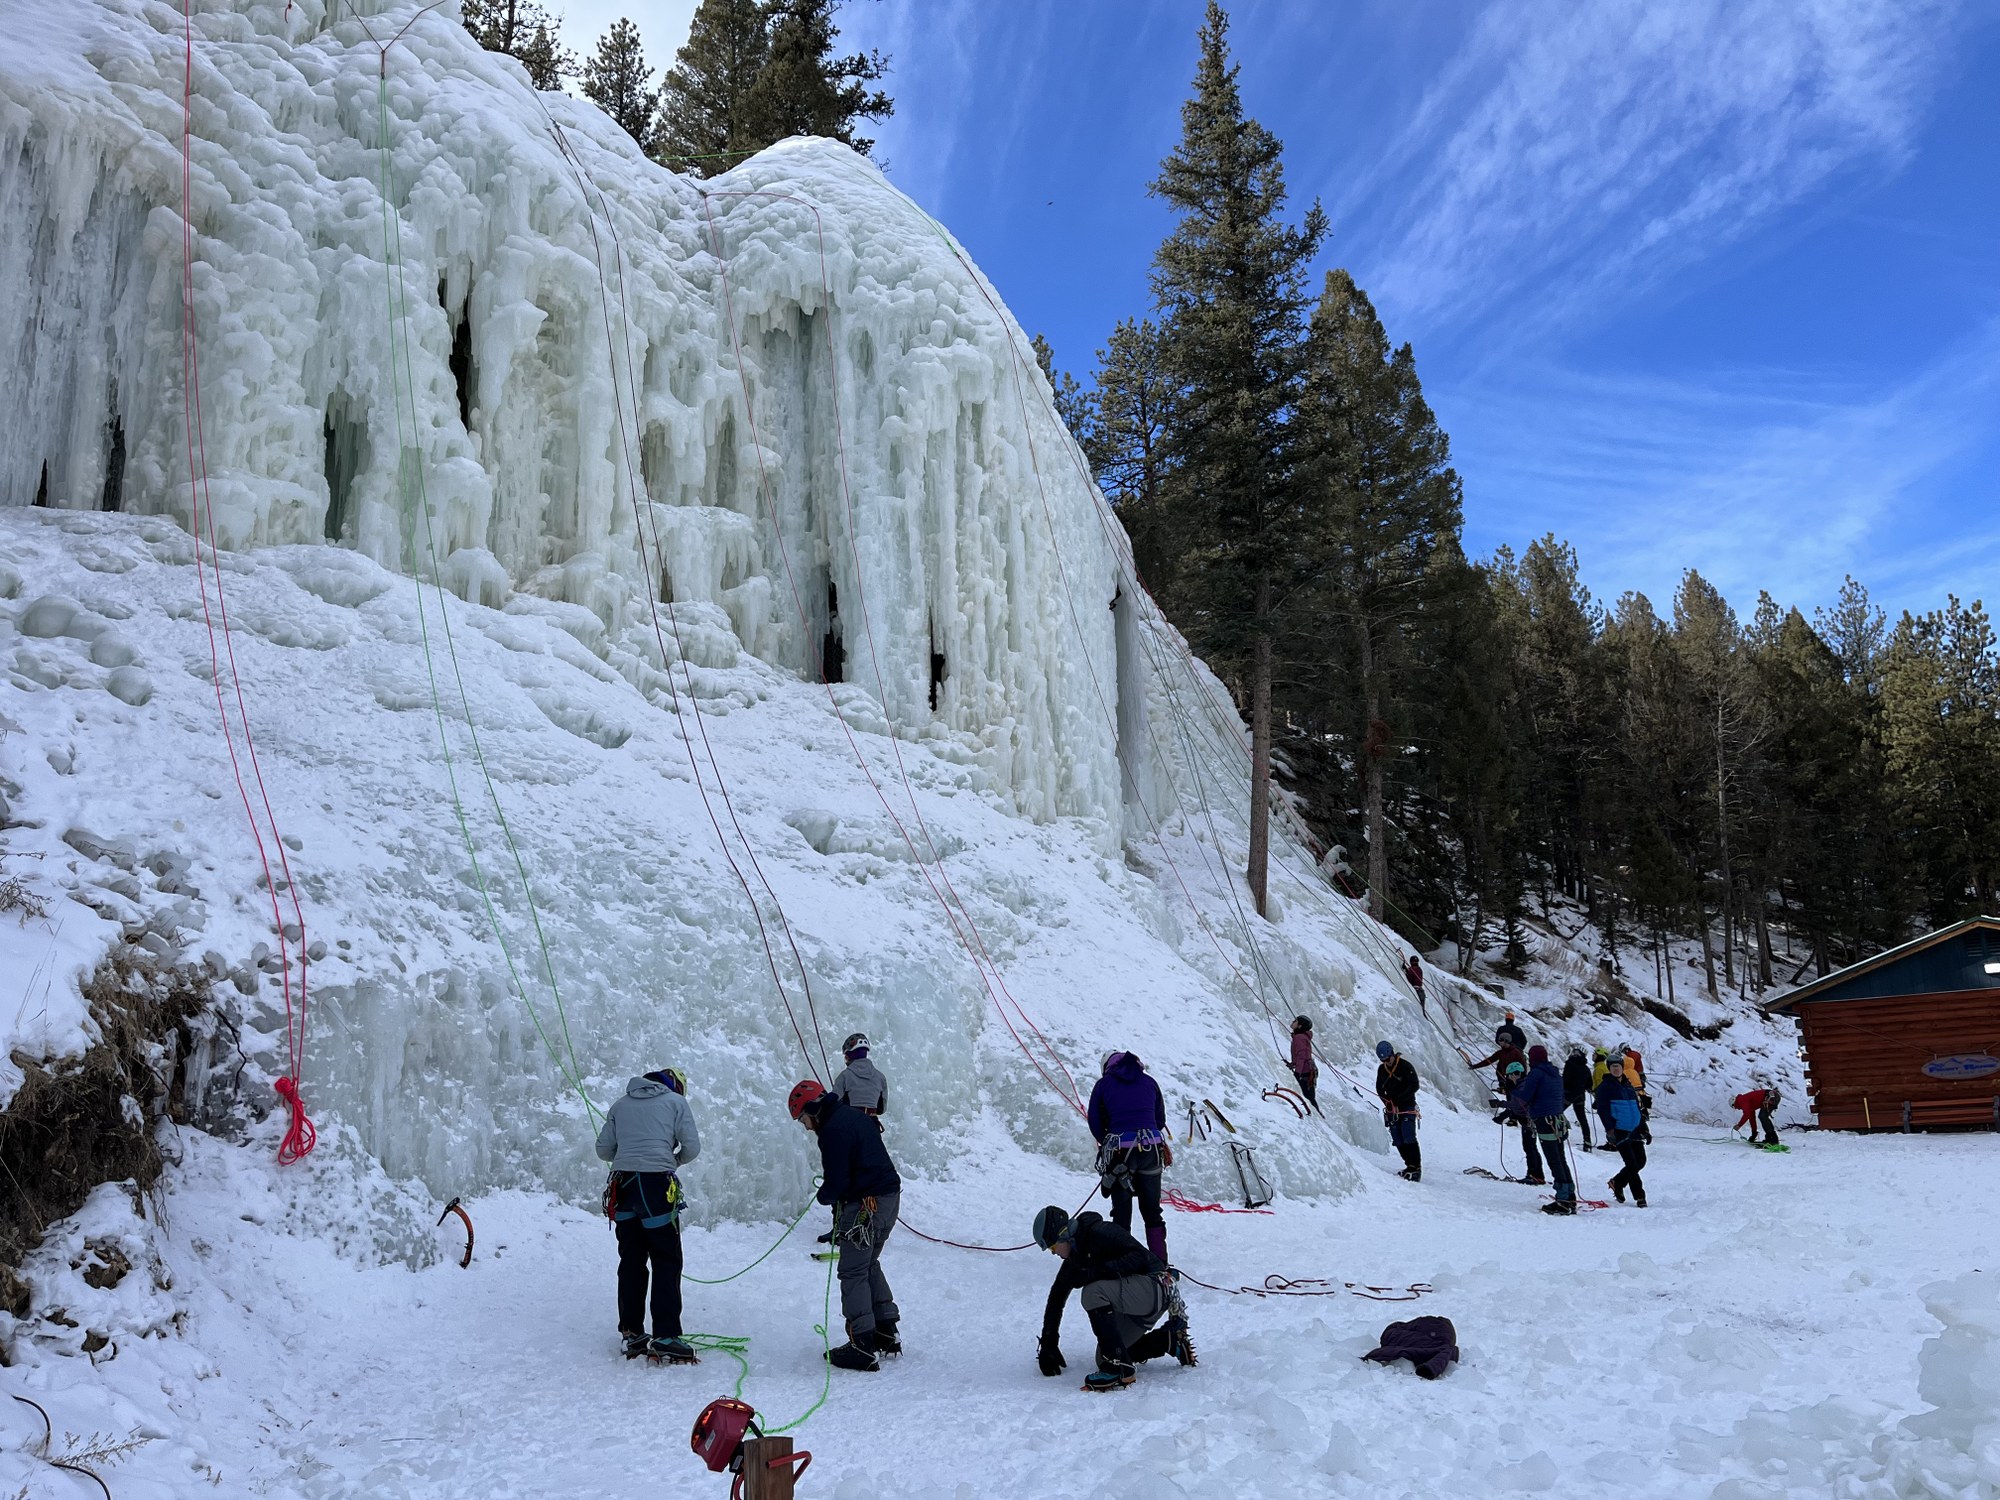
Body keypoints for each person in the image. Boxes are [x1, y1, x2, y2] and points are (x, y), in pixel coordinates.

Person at [789, 1079, 902, 1371]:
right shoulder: (851, 1116)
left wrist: (824, 1196)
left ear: (812, 1109)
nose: (804, 1126)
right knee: (868, 1264)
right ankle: (886, 1332)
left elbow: (837, 1181)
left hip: (865, 1207)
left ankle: (862, 1346)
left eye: (802, 1118)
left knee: (852, 1271)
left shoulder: (832, 1131)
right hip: (888, 1200)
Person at [595, 1068, 701, 1362]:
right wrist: (672, 1160)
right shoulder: (676, 1103)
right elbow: (692, 1148)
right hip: (655, 1185)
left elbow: (603, 1150)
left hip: (623, 1184)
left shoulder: (620, 1104)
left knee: (631, 1260)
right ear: (675, 1086)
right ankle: (666, 1335)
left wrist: (629, 1151)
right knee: (666, 1259)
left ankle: (632, 1334)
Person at [1032, 1204, 1191, 1391]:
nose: (1053, 1253)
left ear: (1064, 1234)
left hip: (1155, 1287)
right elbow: (1056, 1297)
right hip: (1142, 1301)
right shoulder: (1074, 1258)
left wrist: (1096, 1271)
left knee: (1092, 1292)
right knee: (1105, 1356)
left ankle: (1118, 1368)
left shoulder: (1100, 1232)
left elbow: (1141, 1257)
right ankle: (1168, 1340)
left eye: (1052, 1247)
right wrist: (1049, 1342)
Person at [1087, 1051, 1170, 1266]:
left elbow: (1095, 1121)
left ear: (1107, 1066)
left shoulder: (1104, 1085)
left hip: (1119, 1154)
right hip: (1151, 1149)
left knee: (1122, 1213)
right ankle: (1160, 1265)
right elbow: (1159, 1120)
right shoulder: (1150, 1082)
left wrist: (1106, 1139)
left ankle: (1123, 1263)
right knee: (1152, 1211)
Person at [1507, 1045, 1576, 1215]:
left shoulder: (1536, 1074)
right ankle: (1570, 1197)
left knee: (1554, 1160)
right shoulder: (1555, 1075)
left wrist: (1512, 1089)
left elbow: (1526, 1096)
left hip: (1545, 1121)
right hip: (1558, 1120)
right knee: (1561, 1159)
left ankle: (1562, 1201)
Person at [1594, 1054, 1648, 1207]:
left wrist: (1644, 1128)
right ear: (1609, 1068)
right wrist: (1610, 1130)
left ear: (1622, 1067)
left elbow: (1637, 1108)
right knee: (1631, 1163)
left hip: (1635, 1129)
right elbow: (1603, 1110)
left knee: (1641, 1161)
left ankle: (1617, 1182)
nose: (1616, 1069)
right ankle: (1640, 1197)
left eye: (1618, 1066)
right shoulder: (1605, 1087)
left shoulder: (1628, 1084)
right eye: (1613, 1067)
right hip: (1620, 1130)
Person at [1374, 1040, 1422, 1181]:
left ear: (1392, 1054)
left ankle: (1416, 1168)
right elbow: (1379, 1089)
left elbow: (1414, 1086)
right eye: (1383, 1060)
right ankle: (1409, 1166)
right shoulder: (1382, 1069)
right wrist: (1387, 1102)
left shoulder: (1405, 1066)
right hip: (1392, 1108)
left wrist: (1397, 1101)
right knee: (1397, 1138)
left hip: (1406, 1105)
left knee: (1408, 1136)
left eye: (1387, 1059)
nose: (1386, 1062)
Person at [1493, 1059, 1546, 1184]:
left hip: (1529, 1121)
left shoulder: (1522, 1086)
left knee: (1529, 1147)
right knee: (1532, 1147)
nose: (1509, 1078)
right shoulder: (1525, 1084)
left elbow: (1517, 1105)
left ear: (1516, 1074)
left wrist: (1500, 1104)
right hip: (1531, 1120)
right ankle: (1538, 1175)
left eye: (1510, 1075)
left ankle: (1533, 1175)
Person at [833, 1032, 887, 1117]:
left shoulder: (844, 1076)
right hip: (872, 1125)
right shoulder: (880, 1077)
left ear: (848, 1056)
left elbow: (833, 1104)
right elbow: (881, 1109)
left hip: (851, 1122)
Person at [1469, 1036, 1528, 1101]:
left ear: (1506, 1041)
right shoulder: (1501, 1052)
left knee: (1517, 1096)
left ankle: (1515, 1109)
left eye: (1500, 1041)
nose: (1499, 1043)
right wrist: (1475, 1066)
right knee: (1510, 1095)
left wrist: (1523, 1077)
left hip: (1517, 1078)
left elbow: (1523, 1066)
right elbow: (1489, 1060)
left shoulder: (1516, 1052)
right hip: (1509, 1077)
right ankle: (1510, 1109)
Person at [1562, 1045, 1595, 1150]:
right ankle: (1587, 1141)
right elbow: (1589, 1085)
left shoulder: (1569, 1064)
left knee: (1557, 1112)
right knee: (1582, 1118)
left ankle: (1560, 1132)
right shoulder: (1586, 1068)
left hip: (1569, 1094)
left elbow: (1565, 1080)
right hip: (1580, 1095)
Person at [1288, 1017, 1320, 1111]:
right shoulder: (1301, 1037)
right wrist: (1294, 1064)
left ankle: (1316, 1114)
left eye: (1295, 1021)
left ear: (1300, 1026)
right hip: (1308, 1070)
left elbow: (1302, 1056)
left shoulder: (1299, 1038)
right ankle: (1317, 1114)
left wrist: (1297, 1072)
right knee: (1310, 1096)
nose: (1292, 1022)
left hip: (1304, 1072)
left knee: (1307, 1095)